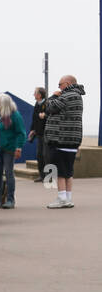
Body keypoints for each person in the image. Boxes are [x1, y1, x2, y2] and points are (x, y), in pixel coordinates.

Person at [43, 75, 85, 208]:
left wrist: (53, 96)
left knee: (60, 171)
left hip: (60, 139)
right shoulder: (78, 96)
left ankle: (61, 199)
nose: (58, 87)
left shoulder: (66, 96)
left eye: (60, 84)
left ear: (67, 83)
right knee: (68, 171)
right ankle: (68, 198)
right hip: (72, 141)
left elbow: (49, 108)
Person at [0, 93, 25, 209]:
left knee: (9, 173)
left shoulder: (15, 116)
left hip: (9, 148)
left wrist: (19, 147)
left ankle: (11, 199)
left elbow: (21, 133)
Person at [27, 86, 49, 181]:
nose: (33, 95)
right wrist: (32, 130)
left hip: (46, 133)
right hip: (39, 133)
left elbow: (51, 116)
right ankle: (42, 175)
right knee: (39, 155)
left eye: (35, 93)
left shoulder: (47, 103)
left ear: (40, 95)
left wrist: (44, 116)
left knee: (46, 155)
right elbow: (34, 119)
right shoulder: (37, 104)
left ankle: (49, 176)